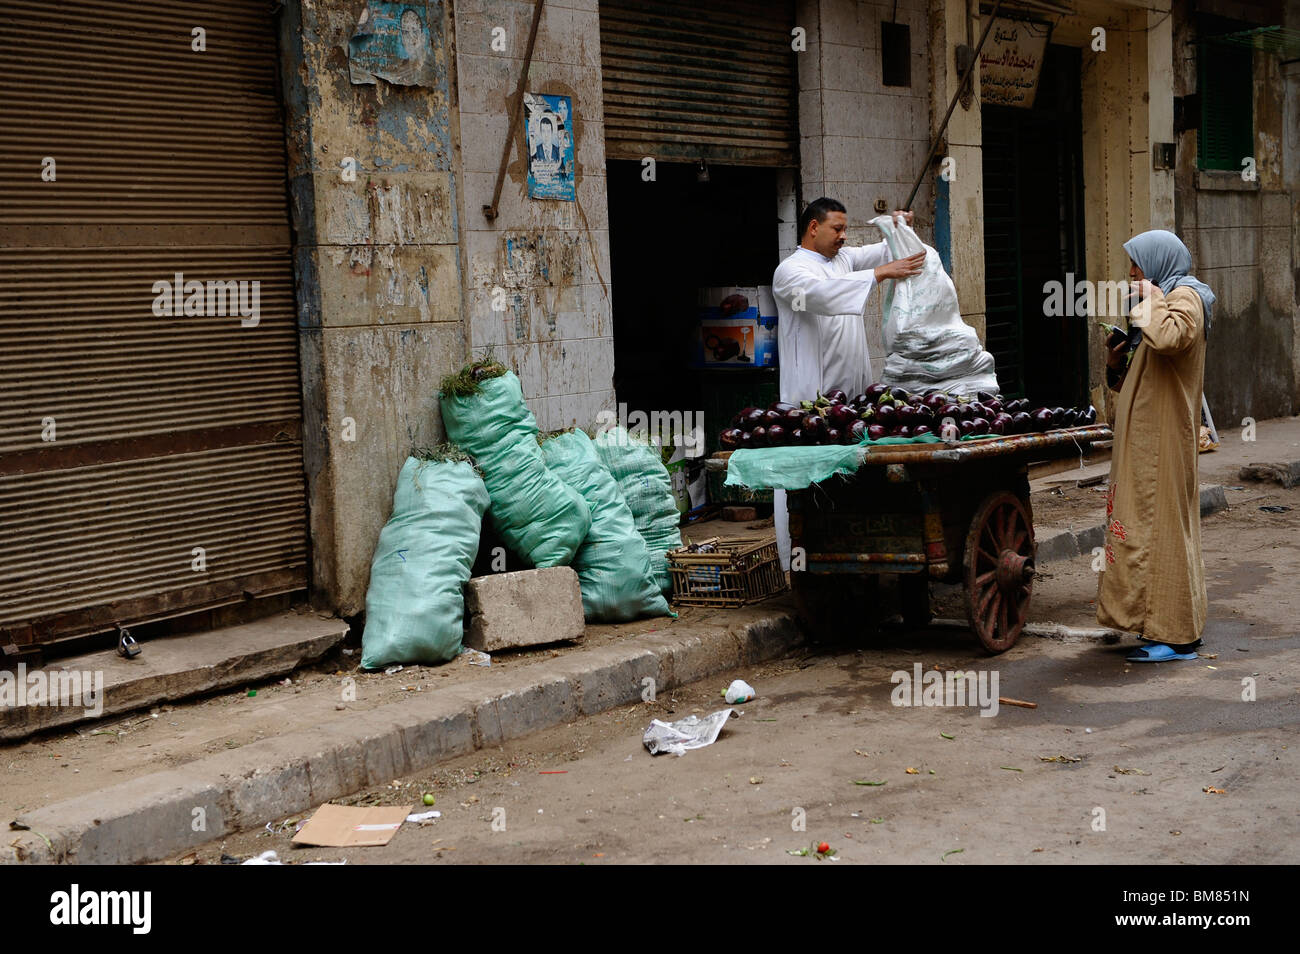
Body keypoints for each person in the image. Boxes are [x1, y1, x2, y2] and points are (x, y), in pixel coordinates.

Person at [769, 197, 926, 569]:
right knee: (806, 484)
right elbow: (822, 297)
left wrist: (900, 225)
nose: (843, 237)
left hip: (853, 394)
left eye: (845, 230)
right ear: (813, 227)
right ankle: (796, 561)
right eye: (837, 229)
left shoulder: (843, 259)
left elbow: (884, 249)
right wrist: (880, 274)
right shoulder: (789, 272)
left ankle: (857, 554)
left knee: (853, 477)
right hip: (811, 399)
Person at [1098, 229, 1216, 662]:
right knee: (1145, 529)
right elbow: (1139, 374)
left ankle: (1180, 636)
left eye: (1137, 265)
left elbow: (1170, 339)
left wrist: (1149, 296)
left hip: (1165, 442)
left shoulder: (1186, 297)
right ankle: (1153, 625)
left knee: (1166, 531)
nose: (1131, 273)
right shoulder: (1163, 298)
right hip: (1143, 442)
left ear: (1159, 263)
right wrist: (1115, 362)